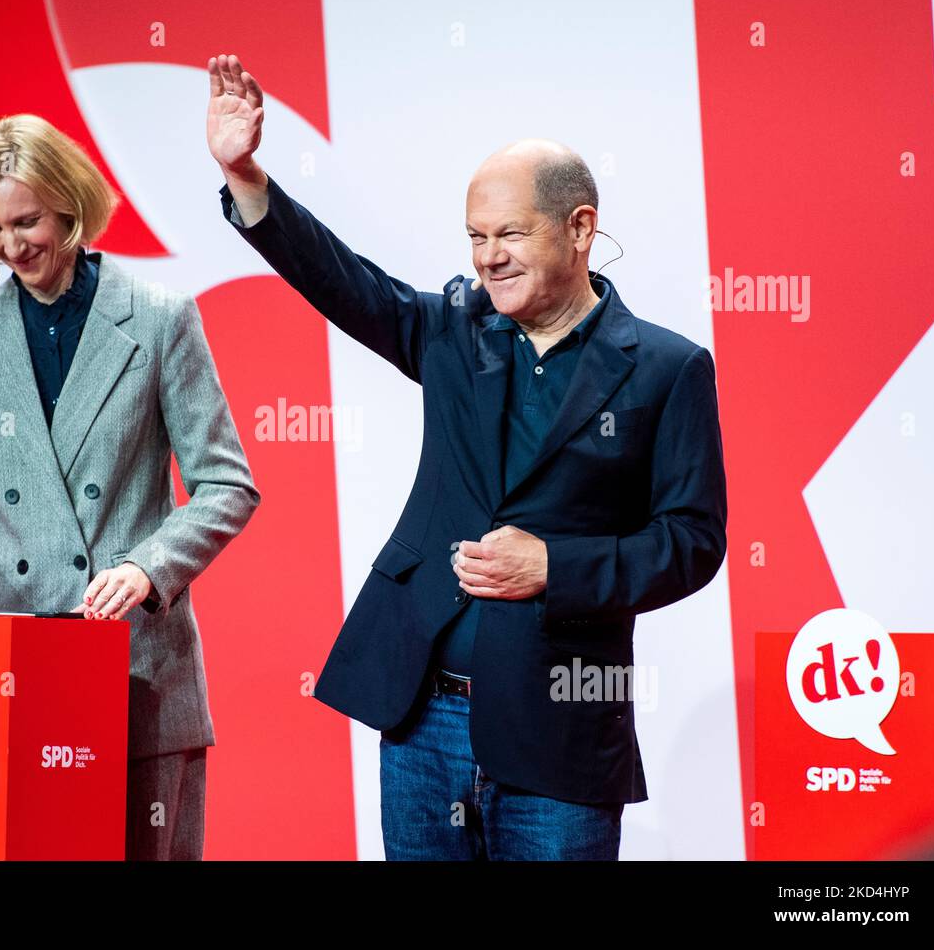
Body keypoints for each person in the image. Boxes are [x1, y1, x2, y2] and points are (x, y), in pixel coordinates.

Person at [206, 54, 726, 860]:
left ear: (580, 228)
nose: (489, 258)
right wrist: (248, 180)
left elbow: (692, 542)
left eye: (511, 234)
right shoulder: (454, 330)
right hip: (420, 720)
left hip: (560, 727)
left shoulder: (667, 368)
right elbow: (349, 284)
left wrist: (554, 565)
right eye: (476, 238)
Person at [0, 113, 259, 860]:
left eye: (28, 221)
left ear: (71, 204)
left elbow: (225, 484)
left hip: (138, 668)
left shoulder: (160, 318)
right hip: (7, 677)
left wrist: (147, 567)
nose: (12, 247)